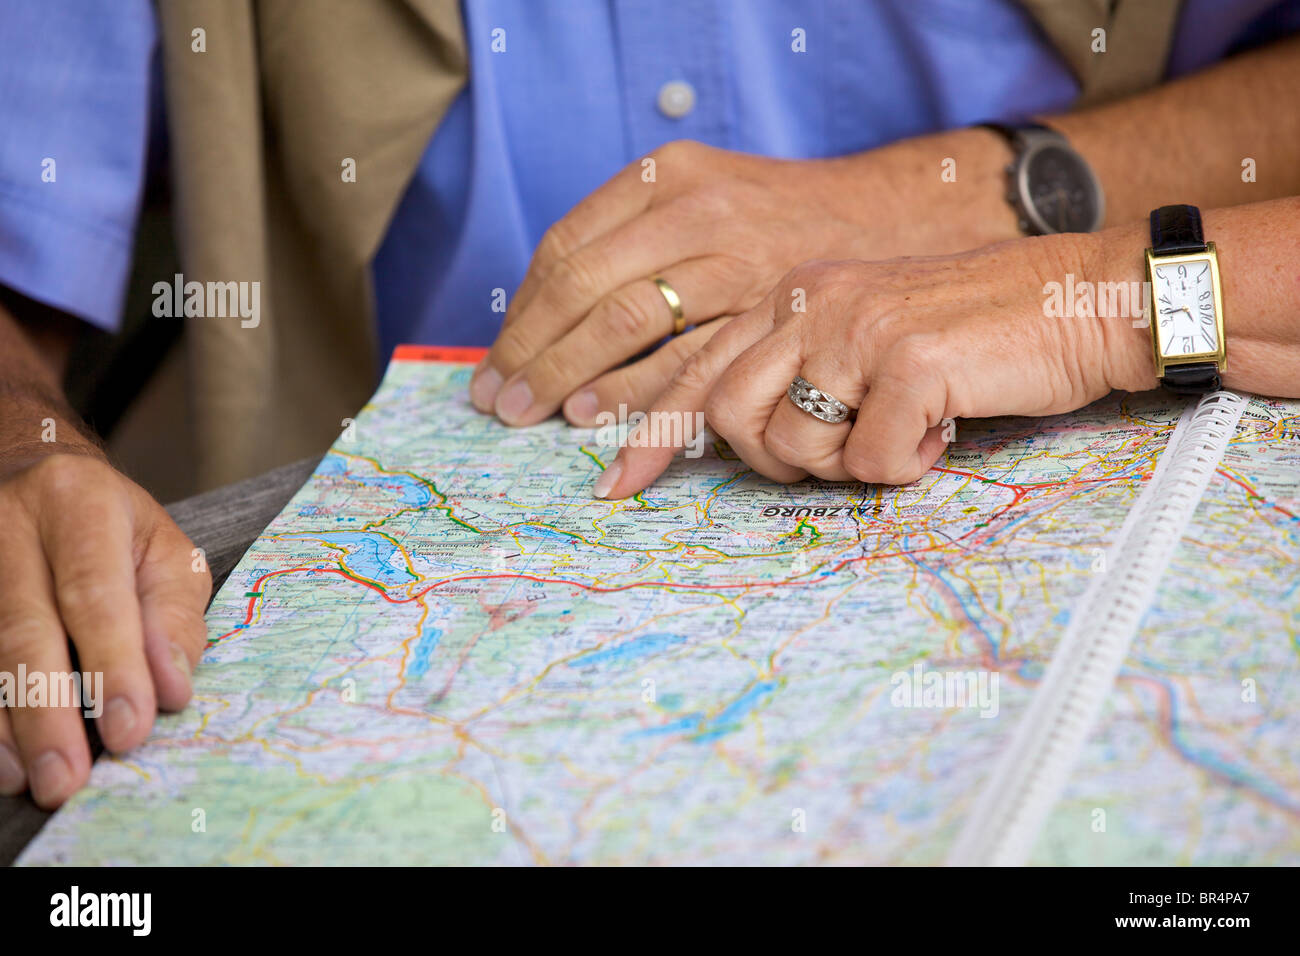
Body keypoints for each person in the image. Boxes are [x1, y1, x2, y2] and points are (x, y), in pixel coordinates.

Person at [0, 0, 1297, 810]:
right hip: (431, 616)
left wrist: (1036, 234)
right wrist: (19, 447)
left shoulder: (1133, 300)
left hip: (1116, 489)